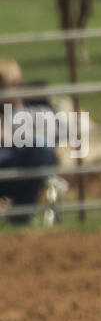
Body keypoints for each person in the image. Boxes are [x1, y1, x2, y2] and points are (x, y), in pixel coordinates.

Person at [0, 61, 59, 226]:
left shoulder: (37, 113)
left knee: (40, 151)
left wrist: (14, 140)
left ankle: (20, 216)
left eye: (2, 85)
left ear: (18, 86)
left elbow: (53, 141)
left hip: (26, 169)